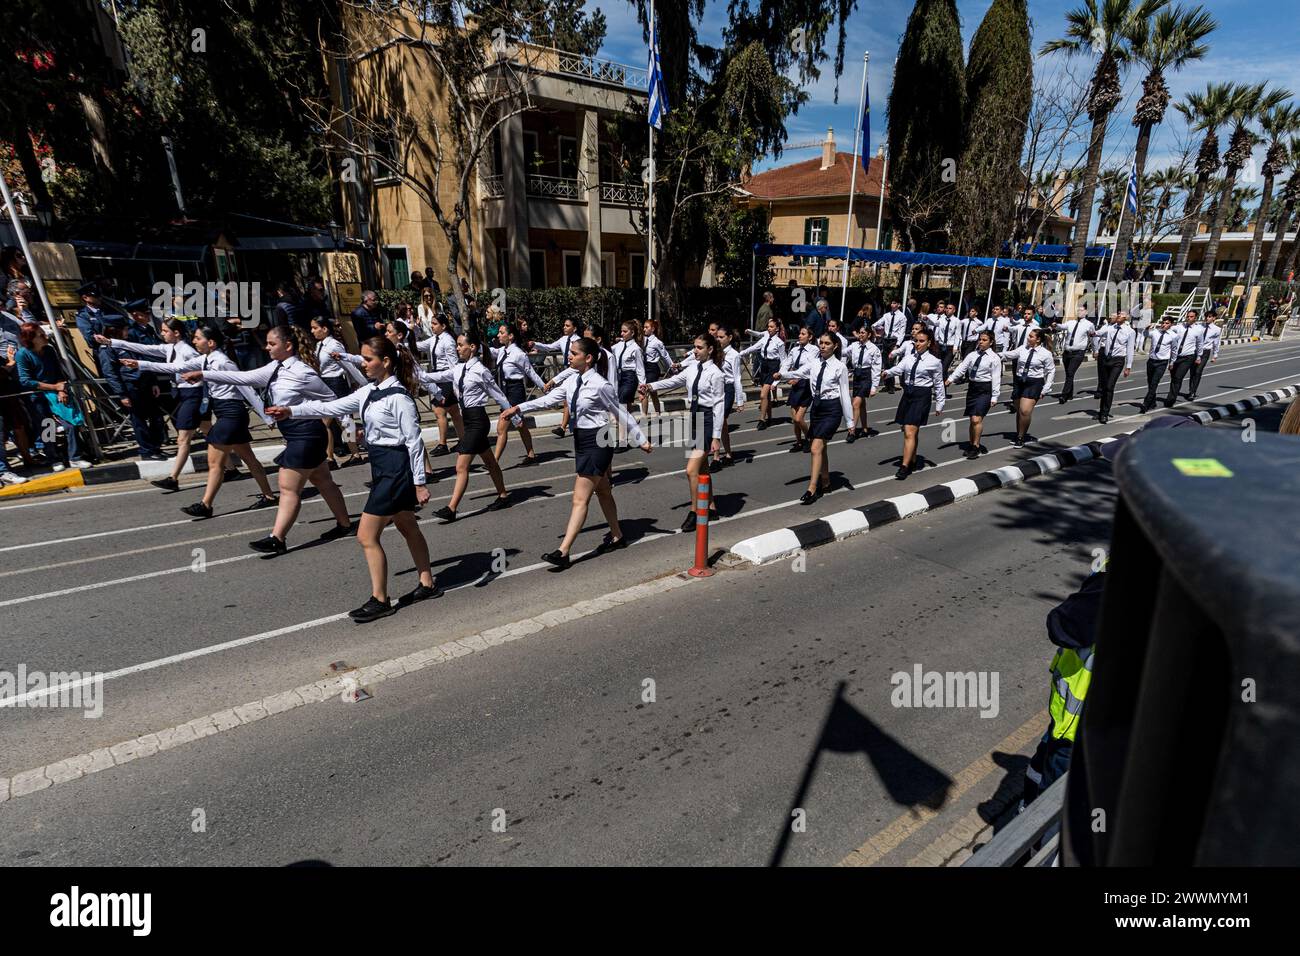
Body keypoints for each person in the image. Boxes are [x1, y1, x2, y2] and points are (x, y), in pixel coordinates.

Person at [271, 336, 441, 622]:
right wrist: (292, 411)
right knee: (406, 524)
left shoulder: (399, 398)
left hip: (395, 469)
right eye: (361, 358)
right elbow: (330, 408)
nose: (362, 364)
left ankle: (381, 599)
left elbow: (414, 442)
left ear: (385, 362)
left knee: (366, 535)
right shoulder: (368, 392)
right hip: (381, 466)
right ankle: (427, 583)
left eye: (367, 359)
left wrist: (420, 483)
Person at [184, 324, 353, 552]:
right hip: (297, 435)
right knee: (323, 481)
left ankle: (277, 537)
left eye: (272, 344)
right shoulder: (276, 368)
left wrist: (347, 428)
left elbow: (332, 401)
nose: (266, 347)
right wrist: (203, 374)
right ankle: (345, 524)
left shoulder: (302, 372)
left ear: (288, 346)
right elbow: (243, 377)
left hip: (306, 435)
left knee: (287, 487)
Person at [503, 338, 650, 569]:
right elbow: (550, 399)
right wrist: (519, 407)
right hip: (581, 441)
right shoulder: (573, 380)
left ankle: (564, 551)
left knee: (580, 498)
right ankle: (618, 535)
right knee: (603, 491)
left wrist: (640, 439)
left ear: (588, 358)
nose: (569, 356)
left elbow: (621, 413)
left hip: (598, 442)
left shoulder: (601, 385)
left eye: (573, 353)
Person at [132, 324, 278, 516]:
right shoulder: (205, 359)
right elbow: (176, 366)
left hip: (231, 413)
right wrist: (141, 364)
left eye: (198, 338)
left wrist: (266, 416)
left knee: (215, 463)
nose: (194, 341)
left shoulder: (223, 362)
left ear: (210, 342)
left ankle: (205, 505)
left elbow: (247, 389)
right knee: (249, 459)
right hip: (224, 412)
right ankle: (269, 496)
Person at [1022, 570, 1104, 808]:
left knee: (1051, 801)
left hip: (1076, 730)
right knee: (1038, 769)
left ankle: (1031, 841)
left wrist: (1094, 582)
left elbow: (1061, 626)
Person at [100, 317, 205, 486]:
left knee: (183, 439)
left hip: (192, 393)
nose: (161, 334)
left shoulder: (187, 350)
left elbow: (176, 368)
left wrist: (140, 365)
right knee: (208, 433)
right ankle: (230, 467)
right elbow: (144, 348)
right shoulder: (170, 347)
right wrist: (111, 342)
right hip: (180, 392)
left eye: (165, 331)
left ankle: (173, 479)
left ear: (176, 333)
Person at [424, 329, 516, 522]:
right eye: (457, 345)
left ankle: (451, 508)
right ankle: (503, 495)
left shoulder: (481, 371)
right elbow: (438, 376)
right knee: (490, 461)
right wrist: (415, 372)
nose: (457, 349)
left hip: (478, 421)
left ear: (472, 347)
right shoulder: (459, 368)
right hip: (467, 419)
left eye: (460, 345)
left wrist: (514, 416)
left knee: (461, 466)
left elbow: (498, 394)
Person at [644, 333, 725, 531]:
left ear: (710, 350)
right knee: (703, 468)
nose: (695, 351)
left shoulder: (716, 373)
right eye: (695, 347)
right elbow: (674, 381)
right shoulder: (692, 368)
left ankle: (695, 511)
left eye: (699, 348)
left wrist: (716, 436)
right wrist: (650, 385)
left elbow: (719, 406)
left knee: (691, 470)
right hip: (695, 417)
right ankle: (711, 507)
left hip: (706, 420)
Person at [779, 332, 853, 503]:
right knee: (821, 448)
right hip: (817, 408)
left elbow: (844, 394)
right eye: (821, 343)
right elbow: (798, 373)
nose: (823, 346)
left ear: (835, 346)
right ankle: (826, 482)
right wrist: (781, 376)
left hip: (832, 409)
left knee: (815, 447)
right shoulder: (814, 363)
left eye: (827, 343)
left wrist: (850, 422)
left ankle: (812, 488)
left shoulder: (839, 367)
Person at [15, 322, 92, 470]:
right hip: (37, 396)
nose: (45, 337)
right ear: (31, 338)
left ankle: (75, 457)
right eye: (40, 335)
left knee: (70, 423)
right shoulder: (23, 354)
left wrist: (61, 389)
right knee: (47, 426)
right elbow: (25, 380)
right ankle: (53, 457)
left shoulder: (49, 350)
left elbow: (58, 371)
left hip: (57, 392)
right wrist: (54, 387)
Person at [881, 327, 945, 479]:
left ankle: (904, 466)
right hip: (908, 394)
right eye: (916, 341)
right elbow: (899, 369)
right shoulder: (909, 357)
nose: (918, 344)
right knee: (910, 431)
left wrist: (940, 403)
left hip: (921, 395)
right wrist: (887, 372)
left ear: (929, 343)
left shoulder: (935, 362)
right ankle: (913, 459)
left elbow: (938, 384)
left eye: (922, 341)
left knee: (910, 431)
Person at [310, 315, 366, 468]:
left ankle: (353, 454)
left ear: (325, 329)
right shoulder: (319, 345)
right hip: (325, 384)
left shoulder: (334, 345)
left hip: (336, 383)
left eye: (315, 328)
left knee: (343, 420)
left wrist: (360, 382)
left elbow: (347, 364)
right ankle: (332, 457)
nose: (312, 331)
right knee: (326, 422)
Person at [491, 319, 545, 466]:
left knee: (502, 426)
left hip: (515, 390)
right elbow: (491, 352)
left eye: (502, 333)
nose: (498, 336)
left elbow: (531, 373)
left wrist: (544, 387)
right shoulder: (502, 351)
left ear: (511, 336)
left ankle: (494, 461)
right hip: (504, 390)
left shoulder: (519, 354)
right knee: (520, 425)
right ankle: (531, 454)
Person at [414, 311, 464, 456]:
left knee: (438, 410)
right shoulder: (434, 339)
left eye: (435, 324)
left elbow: (453, 365)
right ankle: (463, 440)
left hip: (445, 378)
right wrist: (406, 339)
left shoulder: (447, 340)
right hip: (438, 376)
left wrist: (453, 383)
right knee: (454, 411)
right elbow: (420, 345)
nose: (432, 326)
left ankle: (443, 444)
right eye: (432, 323)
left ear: (443, 326)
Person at [945, 330, 1000, 459]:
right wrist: (950, 379)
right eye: (980, 339)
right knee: (972, 420)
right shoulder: (972, 355)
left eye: (984, 340)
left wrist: (995, 396)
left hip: (985, 389)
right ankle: (972, 443)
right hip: (973, 388)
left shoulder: (994, 358)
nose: (981, 342)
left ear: (991, 342)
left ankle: (975, 446)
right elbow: (962, 368)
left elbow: (996, 377)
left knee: (977, 419)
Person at [999, 328, 1056, 447]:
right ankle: (1019, 432)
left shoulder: (1045, 353)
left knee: (1025, 410)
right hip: (1020, 381)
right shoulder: (1022, 349)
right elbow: (1009, 355)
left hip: (1034, 383)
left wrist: (1046, 388)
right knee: (1019, 410)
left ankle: (1021, 437)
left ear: (1038, 339)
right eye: (1028, 336)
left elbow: (1051, 371)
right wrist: (994, 355)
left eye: (1031, 336)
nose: (1028, 338)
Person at [532, 318, 584, 438]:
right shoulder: (563, 339)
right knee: (567, 399)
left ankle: (567, 426)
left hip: (576, 371)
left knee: (570, 400)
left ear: (574, 328)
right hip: (567, 370)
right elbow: (549, 347)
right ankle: (564, 427)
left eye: (567, 325)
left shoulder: (579, 342)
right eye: (564, 325)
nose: (564, 327)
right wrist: (535, 344)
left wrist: (553, 380)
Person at [739, 316, 787, 429]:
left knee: (763, 395)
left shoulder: (779, 342)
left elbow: (784, 360)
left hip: (773, 367)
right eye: (768, 327)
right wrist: (741, 353)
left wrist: (778, 378)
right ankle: (770, 418)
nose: (769, 329)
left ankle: (762, 419)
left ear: (777, 329)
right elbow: (755, 347)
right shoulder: (765, 337)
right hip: (764, 367)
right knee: (767, 397)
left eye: (771, 327)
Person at [779, 325, 818, 452]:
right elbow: (787, 363)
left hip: (805, 384)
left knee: (798, 418)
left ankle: (809, 438)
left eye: (803, 334)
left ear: (810, 337)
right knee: (794, 417)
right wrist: (781, 374)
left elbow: (809, 367)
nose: (800, 336)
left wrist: (797, 377)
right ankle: (799, 442)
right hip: (795, 385)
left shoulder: (814, 350)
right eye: (800, 334)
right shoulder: (794, 350)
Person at [713, 326, 746, 469]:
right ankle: (728, 454)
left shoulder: (734, 355)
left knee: (719, 421)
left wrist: (740, 401)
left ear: (729, 338)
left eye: (721, 337)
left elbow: (737, 378)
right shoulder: (714, 352)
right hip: (715, 389)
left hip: (728, 389)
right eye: (717, 337)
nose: (718, 339)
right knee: (722, 424)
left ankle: (716, 457)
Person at [1093, 311, 1134, 424]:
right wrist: (1092, 332)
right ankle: (1101, 411)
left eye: (1121, 315)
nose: (1118, 316)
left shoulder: (1130, 332)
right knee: (1104, 386)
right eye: (1118, 314)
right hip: (1106, 359)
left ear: (1126, 318)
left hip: (1118, 361)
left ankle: (1105, 414)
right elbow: (1098, 333)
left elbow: (1130, 349)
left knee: (1110, 387)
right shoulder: (1110, 328)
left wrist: (1128, 367)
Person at [844, 321, 881, 442]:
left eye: (863, 333)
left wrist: (874, 386)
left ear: (869, 334)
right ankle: (864, 428)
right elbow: (843, 352)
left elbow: (876, 368)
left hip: (866, 375)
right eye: (859, 333)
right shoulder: (854, 346)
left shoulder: (873, 349)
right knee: (861, 404)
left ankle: (852, 431)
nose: (860, 335)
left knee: (855, 404)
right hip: (857, 375)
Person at [1164, 310, 1204, 407]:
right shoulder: (1179, 327)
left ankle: (1171, 399)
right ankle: (1172, 395)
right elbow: (1168, 328)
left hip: (1188, 357)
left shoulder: (1198, 330)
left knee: (1178, 377)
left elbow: (1200, 344)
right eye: (1188, 316)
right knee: (1173, 378)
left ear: (1195, 318)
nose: (1189, 318)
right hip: (1175, 357)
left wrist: (1199, 356)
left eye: (1191, 317)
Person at [1056, 308, 1095, 403]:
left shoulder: (1089, 325)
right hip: (1067, 352)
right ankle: (1069, 394)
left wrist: (1095, 350)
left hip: (1078, 353)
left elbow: (1093, 337)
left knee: (1070, 372)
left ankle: (1064, 395)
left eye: (1081, 310)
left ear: (1086, 312)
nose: (1079, 312)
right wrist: (1055, 324)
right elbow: (1061, 327)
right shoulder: (1071, 323)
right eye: (1078, 310)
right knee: (1069, 374)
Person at [1140, 316, 1177, 413]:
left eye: (1167, 323)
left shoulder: (1173, 336)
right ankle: (1152, 402)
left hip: (1162, 362)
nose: (1164, 325)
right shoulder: (1155, 332)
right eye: (1163, 322)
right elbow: (1145, 334)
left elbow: (1174, 350)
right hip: (1151, 361)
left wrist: (1172, 362)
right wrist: (1147, 328)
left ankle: (1146, 404)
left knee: (1154, 383)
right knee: (1150, 382)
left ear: (1171, 325)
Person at [610, 319, 647, 413]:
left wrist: (642, 384)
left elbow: (640, 368)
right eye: (621, 331)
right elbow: (607, 351)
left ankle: (623, 423)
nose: (622, 333)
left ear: (632, 333)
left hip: (630, 377)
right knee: (625, 401)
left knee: (623, 399)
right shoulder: (618, 345)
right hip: (618, 376)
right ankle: (628, 422)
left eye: (625, 331)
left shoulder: (636, 348)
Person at [874, 300, 909, 390]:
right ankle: (887, 385)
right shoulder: (887, 315)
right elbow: (876, 325)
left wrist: (897, 345)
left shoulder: (902, 316)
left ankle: (891, 385)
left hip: (894, 340)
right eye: (892, 303)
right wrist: (877, 332)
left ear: (898, 304)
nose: (892, 305)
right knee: (885, 362)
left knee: (891, 362)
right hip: (886, 339)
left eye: (894, 303)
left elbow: (902, 332)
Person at [640, 318, 671, 416]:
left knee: (645, 390)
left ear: (652, 329)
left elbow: (665, 356)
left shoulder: (657, 342)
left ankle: (644, 415)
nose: (644, 329)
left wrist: (672, 367)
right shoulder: (642, 340)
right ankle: (658, 413)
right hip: (643, 367)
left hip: (652, 368)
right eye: (643, 327)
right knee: (652, 392)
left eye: (646, 327)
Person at [1186, 312, 1221, 400]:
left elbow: (1216, 342)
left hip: (1205, 352)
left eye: (1209, 317)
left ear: (1214, 318)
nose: (1207, 318)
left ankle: (1193, 392)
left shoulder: (1217, 329)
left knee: (1198, 371)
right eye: (1206, 317)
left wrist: (1215, 355)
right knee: (1192, 372)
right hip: (1195, 351)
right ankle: (1191, 390)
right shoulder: (1199, 326)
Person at [932, 303, 960, 373]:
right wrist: (925, 318)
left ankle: (944, 382)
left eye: (950, 308)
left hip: (950, 347)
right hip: (940, 345)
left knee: (945, 366)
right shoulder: (942, 319)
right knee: (939, 366)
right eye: (947, 308)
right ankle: (941, 381)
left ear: (954, 310)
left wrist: (955, 347)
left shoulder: (957, 321)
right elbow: (933, 323)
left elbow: (957, 335)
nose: (948, 310)